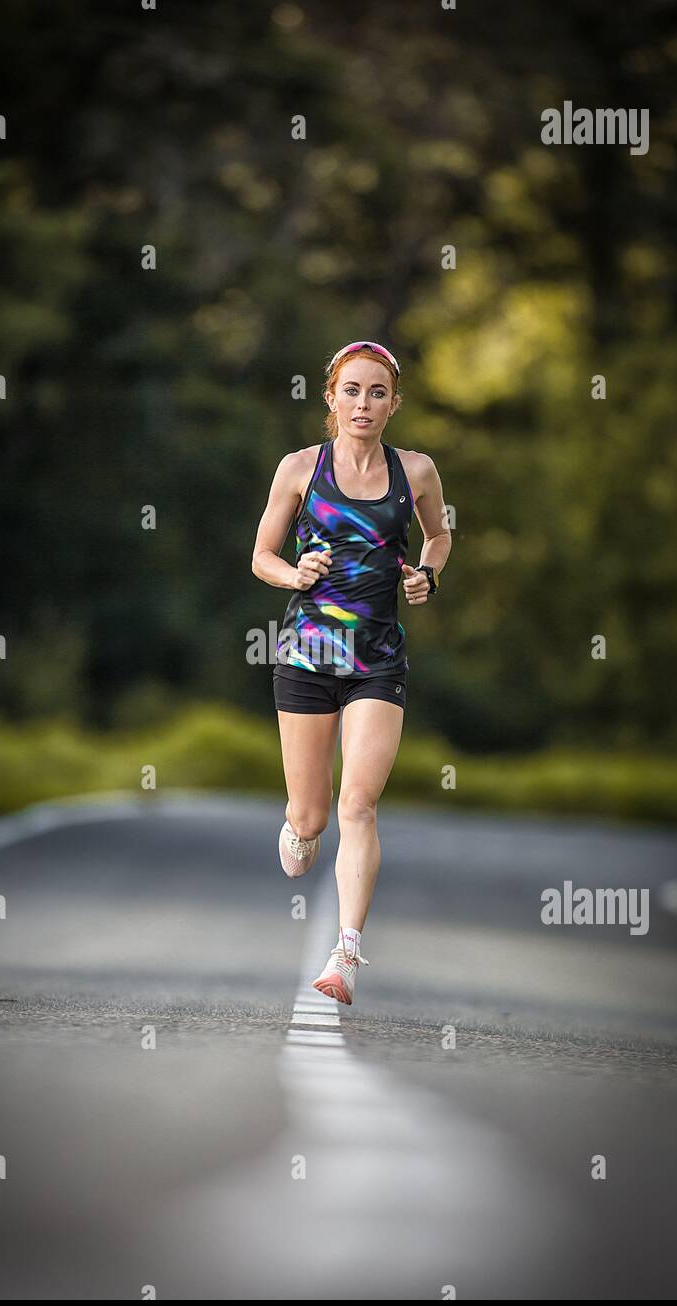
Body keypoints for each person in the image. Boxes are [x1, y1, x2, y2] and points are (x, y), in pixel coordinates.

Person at [251, 341, 451, 1004]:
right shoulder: (300, 469)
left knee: (358, 804)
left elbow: (439, 535)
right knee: (310, 819)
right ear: (330, 398)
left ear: (394, 403)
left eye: (377, 392)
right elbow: (261, 554)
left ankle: (346, 956)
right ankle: (299, 829)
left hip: (378, 660)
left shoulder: (416, 471)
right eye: (352, 391)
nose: (363, 404)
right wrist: (293, 571)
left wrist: (428, 572)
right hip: (307, 657)